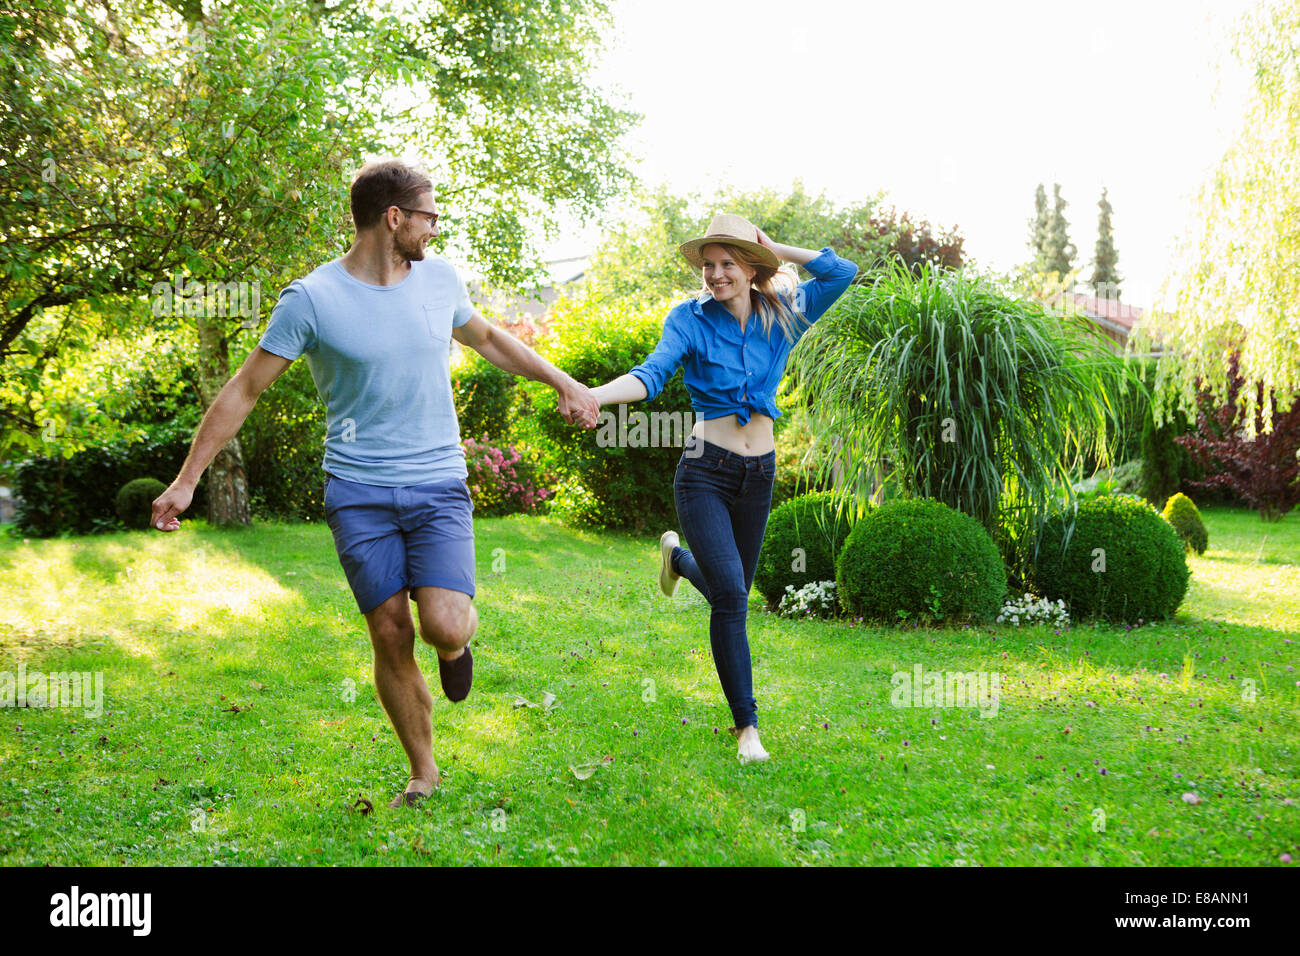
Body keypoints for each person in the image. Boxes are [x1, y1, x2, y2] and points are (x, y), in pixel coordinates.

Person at [149, 159, 599, 808]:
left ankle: (454, 646)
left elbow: (492, 340)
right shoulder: (312, 299)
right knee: (389, 630)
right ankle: (423, 772)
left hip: (437, 482)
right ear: (394, 218)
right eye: (429, 216)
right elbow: (244, 389)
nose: (435, 229)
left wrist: (563, 381)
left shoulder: (440, 281)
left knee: (443, 624)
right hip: (357, 493)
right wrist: (187, 480)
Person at [590, 213, 857, 763]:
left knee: (730, 592)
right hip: (704, 472)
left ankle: (678, 561)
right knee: (732, 596)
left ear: (752, 266)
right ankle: (747, 729)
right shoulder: (689, 319)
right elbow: (651, 373)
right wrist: (595, 394)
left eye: (727, 263)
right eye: (708, 265)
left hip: (759, 474)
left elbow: (841, 272)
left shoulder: (784, 314)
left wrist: (775, 245)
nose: (714, 275)